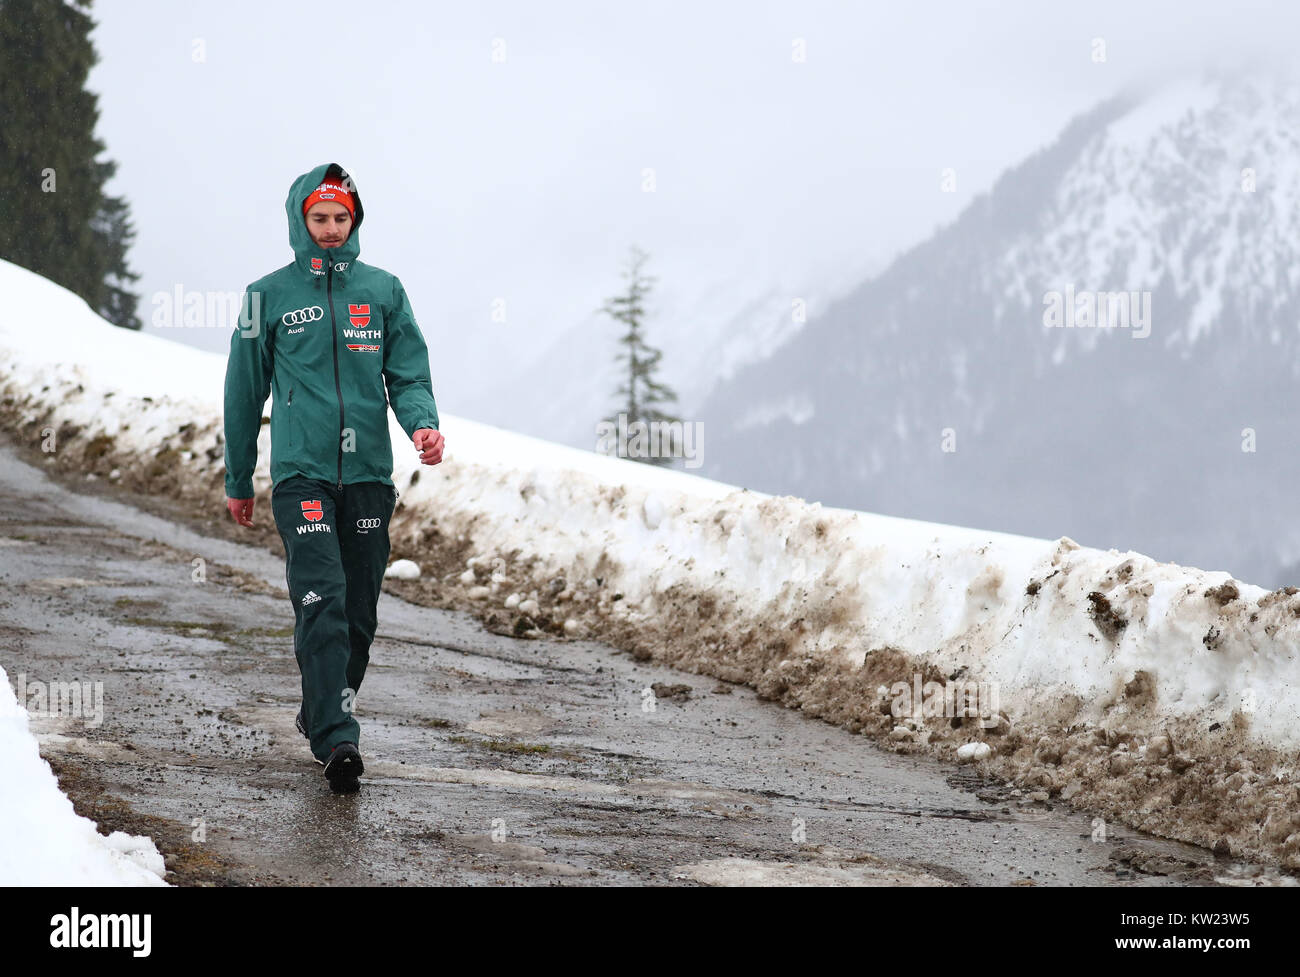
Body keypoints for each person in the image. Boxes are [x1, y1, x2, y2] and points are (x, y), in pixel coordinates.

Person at [223, 162, 444, 793]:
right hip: (302, 477)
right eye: (317, 217)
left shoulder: (384, 291)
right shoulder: (266, 296)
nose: (328, 228)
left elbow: (406, 373)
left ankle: (322, 709)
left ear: (355, 222)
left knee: (357, 613)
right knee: (320, 596)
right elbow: (244, 390)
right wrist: (240, 476)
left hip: (369, 476)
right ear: (299, 219)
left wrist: (421, 425)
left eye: (339, 218)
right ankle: (337, 739)